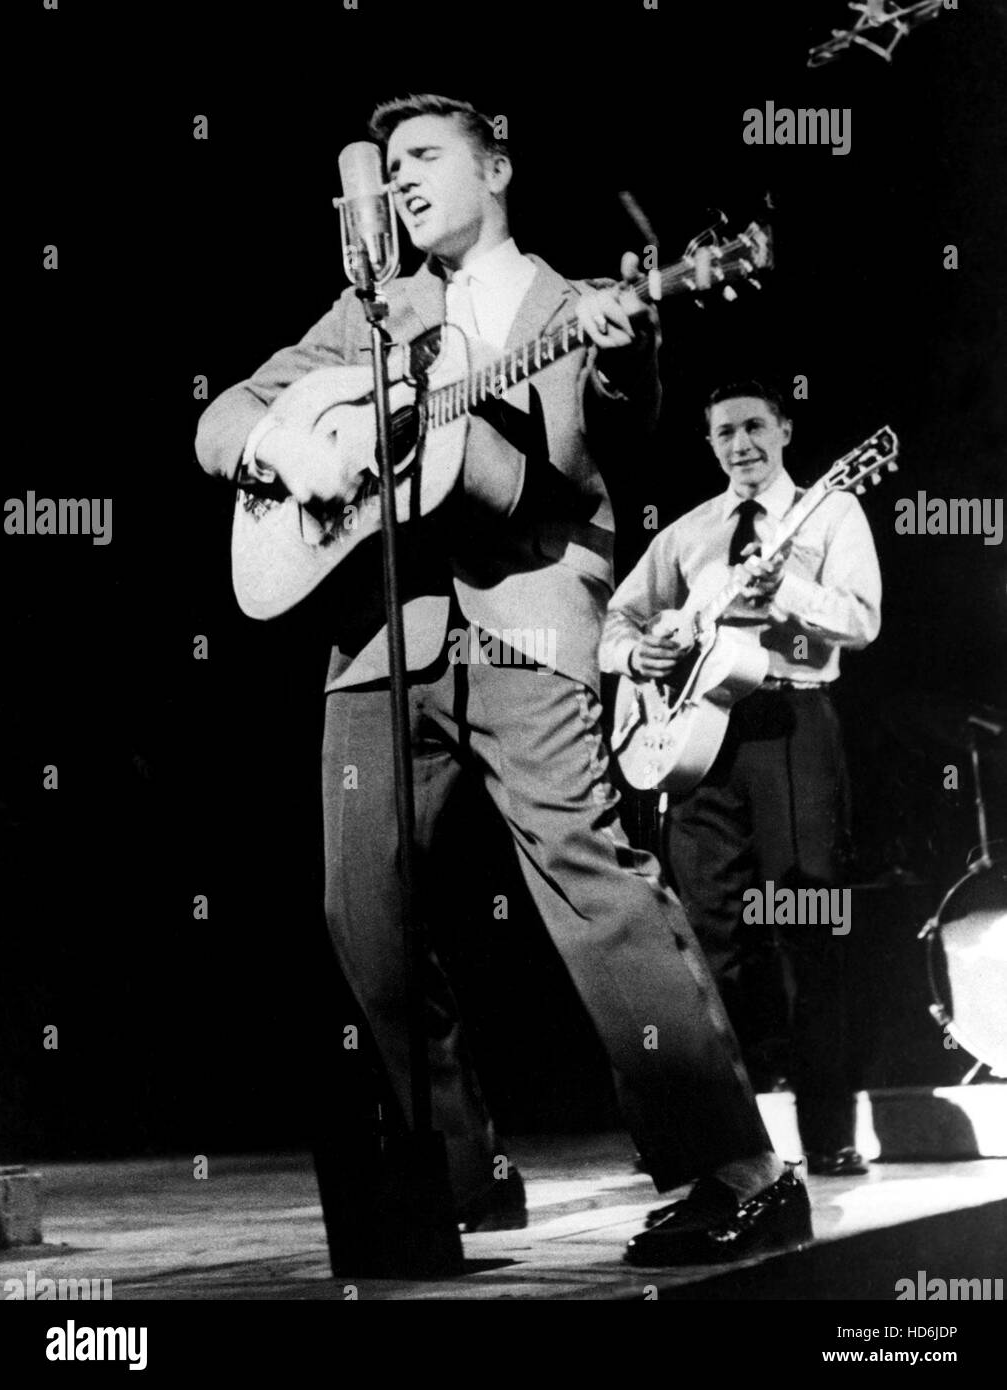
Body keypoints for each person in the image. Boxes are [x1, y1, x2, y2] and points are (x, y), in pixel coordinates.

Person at [196, 96, 810, 1265]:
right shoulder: (368, 316)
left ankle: (742, 1167)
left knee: (596, 885)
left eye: (427, 158)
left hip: (524, 624)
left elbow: (622, 422)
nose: (404, 180)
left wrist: (633, 347)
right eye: (389, 168)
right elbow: (223, 419)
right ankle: (460, 1168)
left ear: (499, 167)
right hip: (381, 640)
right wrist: (298, 451)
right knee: (358, 914)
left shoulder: (572, 305)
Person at [600, 380, 882, 1176]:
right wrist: (635, 653)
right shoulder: (688, 533)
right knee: (703, 938)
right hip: (697, 739)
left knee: (808, 927)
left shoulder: (831, 511)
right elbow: (617, 621)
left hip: (790, 726)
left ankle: (827, 1135)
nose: (740, 445)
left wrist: (782, 585)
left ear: (785, 428)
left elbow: (862, 619)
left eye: (754, 426)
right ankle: (712, 1138)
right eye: (723, 433)